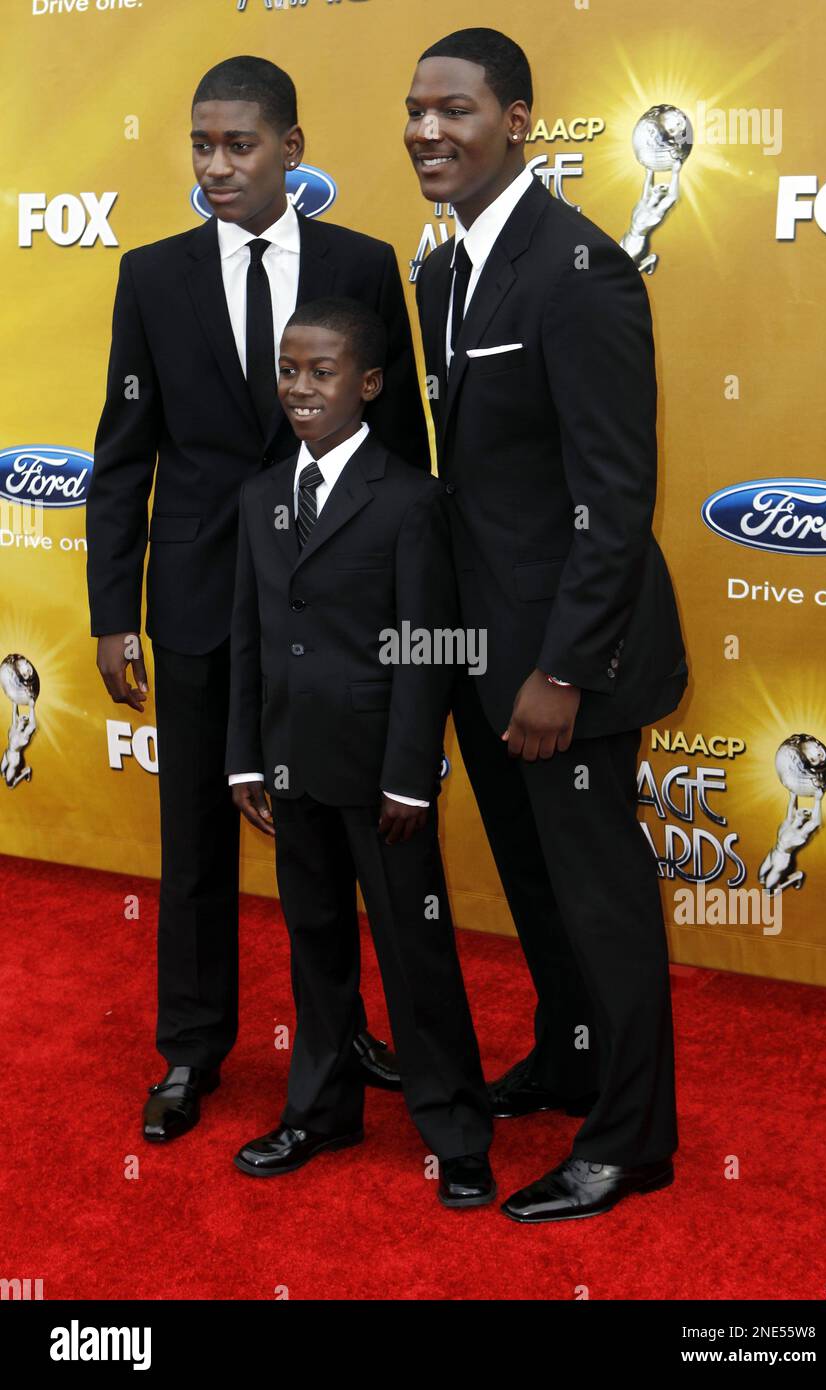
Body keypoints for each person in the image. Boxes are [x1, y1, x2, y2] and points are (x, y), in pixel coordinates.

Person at [87, 55, 430, 1143]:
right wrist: (111, 610)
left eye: (238, 144)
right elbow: (122, 453)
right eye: (201, 145)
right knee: (194, 839)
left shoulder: (364, 264)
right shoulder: (149, 274)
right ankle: (190, 1051)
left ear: (291, 146)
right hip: (194, 599)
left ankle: (343, 1037)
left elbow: (405, 460)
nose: (216, 164)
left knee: (335, 836)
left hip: (334, 612)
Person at [406, 28, 689, 1221]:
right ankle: (571, 1059)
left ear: (517, 120)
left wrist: (560, 669)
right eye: (415, 110)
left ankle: (631, 1137)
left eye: (456, 110)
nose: (428, 131)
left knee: (599, 893)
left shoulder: (577, 268)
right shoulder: (439, 269)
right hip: (477, 646)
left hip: (571, 657)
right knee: (532, 881)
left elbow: (614, 490)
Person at [225, 297, 495, 1208]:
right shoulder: (261, 496)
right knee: (315, 949)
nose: (300, 387)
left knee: (416, 952)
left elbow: (432, 648)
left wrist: (411, 777)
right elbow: (251, 637)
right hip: (290, 765)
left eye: (322, 372)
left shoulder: (411, 500)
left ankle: (456, 1127)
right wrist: (244, 760)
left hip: (384, 780)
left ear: (370, 385)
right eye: (289, 370)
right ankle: (322, 1109)